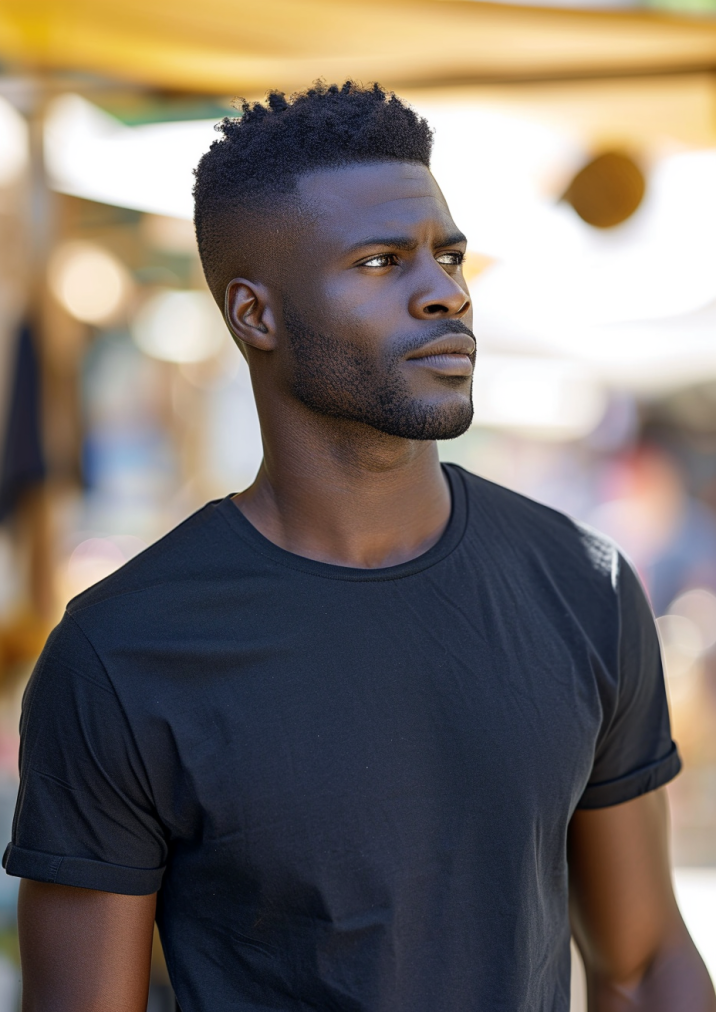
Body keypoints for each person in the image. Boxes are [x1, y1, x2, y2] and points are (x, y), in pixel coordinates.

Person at [7, 82, 714, 1012]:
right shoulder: (120, 654)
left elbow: (645, 963)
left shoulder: (580, 586)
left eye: (448, 255)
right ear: (254, 315)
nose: (446, 294)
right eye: (382, 262)